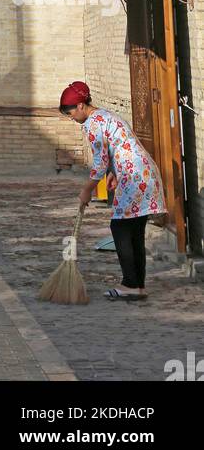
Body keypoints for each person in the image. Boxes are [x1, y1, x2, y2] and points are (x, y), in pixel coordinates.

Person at [59, 80, 166, 301]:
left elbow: (99, 161)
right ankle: (137, 286)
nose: (71, 118)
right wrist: (113, 173)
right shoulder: (105, 115)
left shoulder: (92, 124)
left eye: (70, 113)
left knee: (119, 228)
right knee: (134, 230)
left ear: (80, 105)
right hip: (142, 171)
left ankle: (130, 284)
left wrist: (87, 190)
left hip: (134, 176)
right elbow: (117, 147)